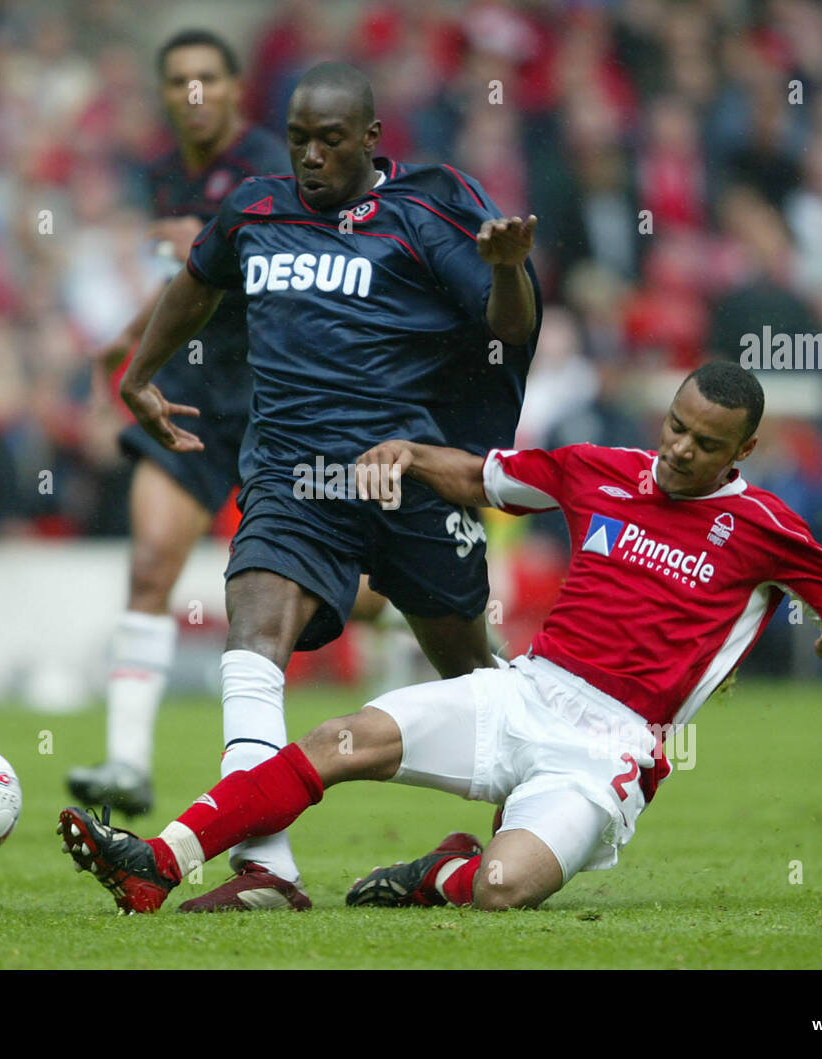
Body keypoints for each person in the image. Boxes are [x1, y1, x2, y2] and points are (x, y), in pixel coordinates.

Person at [58, 362, 822, 914]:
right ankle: (157, 863)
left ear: (742, 450)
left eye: (704, 444)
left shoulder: (764, 527)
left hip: (609, 750)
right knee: (341, 737)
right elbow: (485, 474)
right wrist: (408, 454)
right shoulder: (600, 468)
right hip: (524, 688)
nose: (678, 449)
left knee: (498, 888)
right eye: (674, 426)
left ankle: (436, 871)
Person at [112, 61, 542, 910]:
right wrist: (141, 375)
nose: (310, 156)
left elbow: (507, 325)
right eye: (300, 138)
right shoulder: (255, 209)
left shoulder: (421, 216)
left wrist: (506, 270)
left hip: (408, 472)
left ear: (372, 138)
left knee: (468, 670)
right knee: (252, 637)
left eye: (330, 141)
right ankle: (266, 871)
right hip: (291, 473)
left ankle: (526, 820)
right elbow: (195, 283)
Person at [65, 30, 289, 819]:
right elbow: (188, 280)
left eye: (208, 79)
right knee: (152, 558)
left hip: (275, 393)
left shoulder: (274, 161)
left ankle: (403, 615)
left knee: (344, 593)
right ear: (164, 94)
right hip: (192, 387)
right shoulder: (164, 172)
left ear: (234, 89)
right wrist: (131, 340)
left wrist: (196, 232)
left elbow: (269, 264)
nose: (194, 94)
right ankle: (127, 762)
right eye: (178, 82)